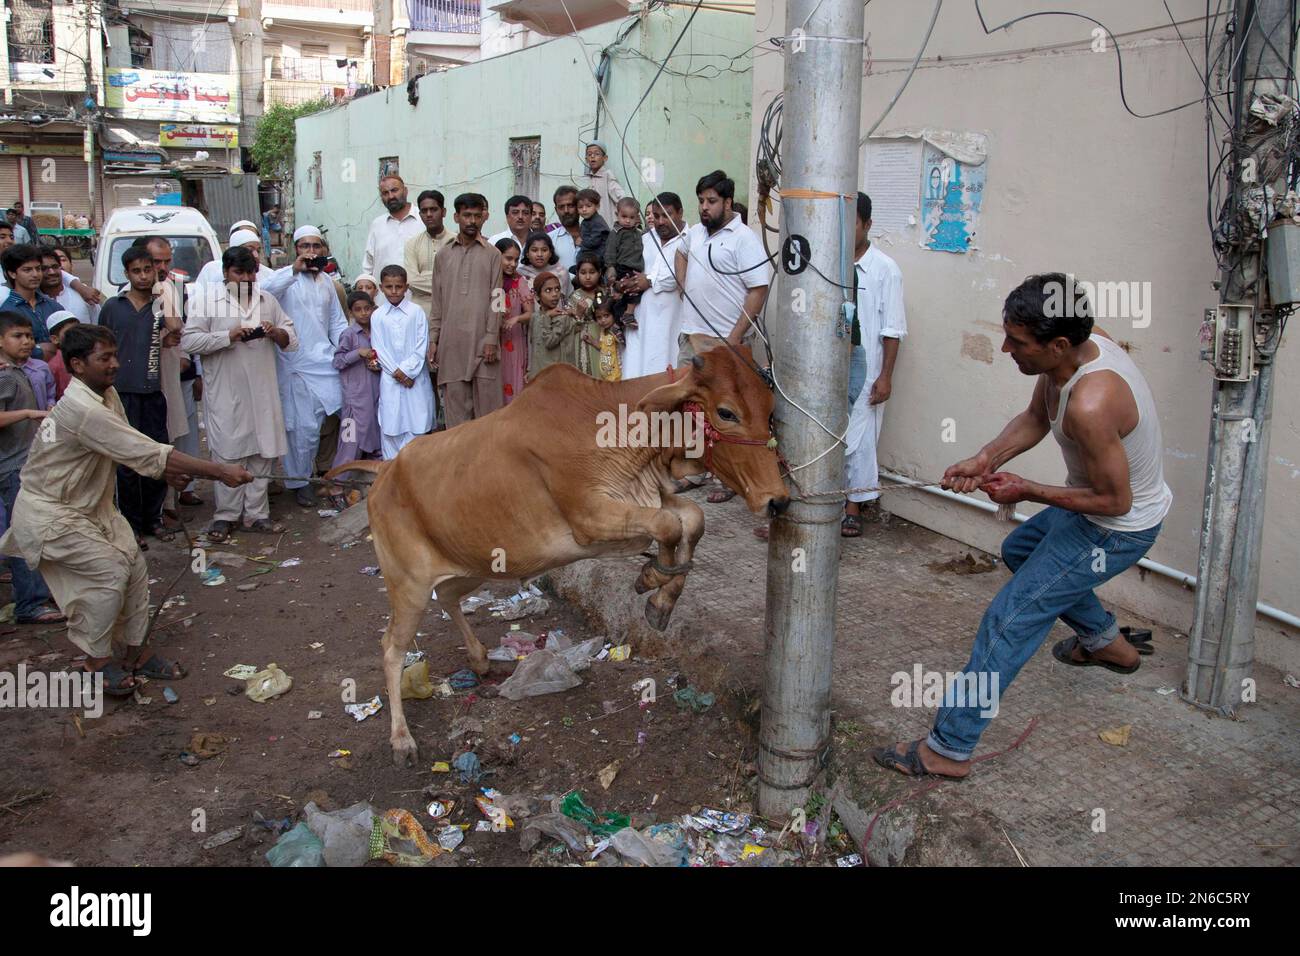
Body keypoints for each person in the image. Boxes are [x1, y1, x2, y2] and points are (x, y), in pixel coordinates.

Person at [872, 273, 1173, 780]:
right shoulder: (1077, 347)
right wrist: (985, 457)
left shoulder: (1092, 404)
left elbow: (1115, 500)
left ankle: (948, 748)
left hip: (1114, 528)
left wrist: (1027, 489)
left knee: (1010, 619)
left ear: (1057, 344)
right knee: (1021, 549)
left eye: (1018, 342)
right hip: (1093, 513)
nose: (1006, 347)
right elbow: (1036, 417)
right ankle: (1106, 644)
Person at [0, 323, 253, 696]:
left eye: (115, 355)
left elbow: (132, 448)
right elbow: (147, 451)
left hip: (91, 506)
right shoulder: (82, 409)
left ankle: (137, 651)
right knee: (108, 573)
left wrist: (171, 472)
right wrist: (219, 471)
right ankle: (95, 663)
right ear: (77, 364)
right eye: (105, 358)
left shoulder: (106, 394)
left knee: (134, 567)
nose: (115, 364)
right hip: (53, 512)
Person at [181, 246, 298, 540]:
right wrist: (227, 337)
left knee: (262, 453)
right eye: (239, 272)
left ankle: (258, 514)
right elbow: (190, 341)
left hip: (263, 390)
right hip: (226, 392)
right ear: (225, 273)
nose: (245, 279)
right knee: (229, 453)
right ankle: (226, 515)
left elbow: (291, 339)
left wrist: (273, 333)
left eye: (250, 273)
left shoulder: (267, 301)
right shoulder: (206, 302)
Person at [96, 245, 184, 542]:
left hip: (152, 390)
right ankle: (130, 525)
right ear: (127, 274)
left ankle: (153, 519)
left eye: (149, 270)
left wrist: (163, 293)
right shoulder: (112, 306)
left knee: (156, 457)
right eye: (137, 271)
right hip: (121, 393)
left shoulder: (161, 304)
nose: (144, 276)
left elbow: (175, 328)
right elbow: (100, 346)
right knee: (126, 463)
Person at [261, 225, 348, 507]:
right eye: (304, 246)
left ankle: (324, 471)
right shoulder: (285, 278)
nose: (311, 252)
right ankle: (300, 482)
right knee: (300, 427)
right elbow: (264, 291)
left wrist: (342, 349)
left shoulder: (326, 283)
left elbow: (336, 321)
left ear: (323, 250)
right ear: (295, 249)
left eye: (316, 246)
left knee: (333, 414)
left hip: (324, 361)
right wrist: (294, 270)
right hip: (294, 364)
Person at [842, 192, 906, 536]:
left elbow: (893, 329)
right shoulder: (831, 263)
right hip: (834, 367)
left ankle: (854, 507)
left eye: (853, 222)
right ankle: (827, 503)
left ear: (867, 224)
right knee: (831, 438)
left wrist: (886, 376)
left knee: (861, 441)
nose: (846, 229)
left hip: (867, 371)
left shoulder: (885, 270)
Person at [0, 310, 64, 624]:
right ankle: (29, 602)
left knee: (40, 530)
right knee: (23, 533)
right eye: (17, 336)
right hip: (12, 465)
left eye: (28, 336)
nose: (26, 342)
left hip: (33, 461)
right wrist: (28, 413)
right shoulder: (3, 376)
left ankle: (43, 591)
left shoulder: (31, 369)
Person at [676, 170, 771, 361]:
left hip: (726, 342)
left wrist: (734, 339)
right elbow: (680, 253)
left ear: (727, 203)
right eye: (701, 200)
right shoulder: (696, 232)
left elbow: (759, 290)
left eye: (711, 201)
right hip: (690, 340)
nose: (704, 207)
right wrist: (682, 286)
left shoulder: (744, 238)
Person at [428, 194, 503, 427]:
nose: (472, 221)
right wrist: (434, 339)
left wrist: (492, 338)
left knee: (488, 416)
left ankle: (487, 464)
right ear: (456, 217)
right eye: (467, 216)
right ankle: (458, 464)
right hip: (452, 345)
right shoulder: (442, 256)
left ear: (484, 217)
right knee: (456, 417)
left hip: (483, 345)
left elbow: (497, 300)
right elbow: (437, 302)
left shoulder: (493, 255)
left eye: (477, 216)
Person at [372, 265, 434, 457]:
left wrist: (408, 371)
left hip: (415, 379)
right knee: (392, 427)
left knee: (417, 424)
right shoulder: (378, 316)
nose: (394, 291)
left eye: (398, 287)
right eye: (389, 287)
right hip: (391, 379)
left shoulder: (416, 312)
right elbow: (379, 348)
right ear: (381, 288)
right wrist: (398, 373)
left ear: (406, 287)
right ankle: (392, 475)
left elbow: (421, 344)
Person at [623, 192, 685, 378]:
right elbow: (633, 265)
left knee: (666, 365)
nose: (660, 221)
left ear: (680, 213)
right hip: (641, 318)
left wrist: (649, 280)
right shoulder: (645, 239)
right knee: (636, 368)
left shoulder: (689, 239)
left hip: (671, 318)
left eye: (667, 215)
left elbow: (678, 276)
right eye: (656, 216)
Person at [332, 291, 383, 466]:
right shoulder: (349, 334)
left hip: (374, 398)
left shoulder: (378, 331)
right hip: (353, 402)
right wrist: (358, 353)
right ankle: (338, 484)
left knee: (376, 439)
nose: (363, 313)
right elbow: (338, 361)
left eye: (367, 308)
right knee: (348, 443)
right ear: (351, 313)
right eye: (358, 309)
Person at [1, 244, 60, 358]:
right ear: (12, 273)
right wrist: (38, 351)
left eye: (38, 269)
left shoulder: (53, 306)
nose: (35, 274)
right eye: (27, 270)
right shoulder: (6, 312)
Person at [404, 189, 455, 318]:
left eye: (433, 209)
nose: (429, 214)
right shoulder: (412, 244)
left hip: (450, 311)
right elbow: (411, 281)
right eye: (424, 211)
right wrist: (445, 281)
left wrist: (424, 276)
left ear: (443, 212)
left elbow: (459, 280)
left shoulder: (456, 241)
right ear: (420, 214)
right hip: (421, 313)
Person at [495, 237, 532, 404]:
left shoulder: (520, 281)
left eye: (516, 260)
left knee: (515, 385)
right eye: (508, 258)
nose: (513, 264)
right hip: (494, 341)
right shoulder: (491, 281)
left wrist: (516, 318)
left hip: (514, 343)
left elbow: (530, 314)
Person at [363, 175, 423, 275]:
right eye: (385, 193)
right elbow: (368, 265)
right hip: (382, 290)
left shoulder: (423, 218)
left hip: (417, 290)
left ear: (405, 191)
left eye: (394, 190)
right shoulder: (377, 225)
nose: (391, 196)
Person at [603, 196, 645, 330]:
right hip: (623, 267)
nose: (627, 220)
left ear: (637, 217)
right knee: (630, 291)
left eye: (631, 217)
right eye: (624, 216)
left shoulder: (638, 233)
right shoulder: (616, 232)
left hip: (635, 268)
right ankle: (628, 314)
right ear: (617, 215)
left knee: (628, 294)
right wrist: (610, 268)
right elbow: (610, 250)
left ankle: (618, 324)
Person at [527, 272, 576, 378]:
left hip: (554, 376)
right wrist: (530, 369)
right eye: (548, 290)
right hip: (537, 373)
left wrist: (547, 318)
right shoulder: (535, 317)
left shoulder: (562, 318)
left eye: (557, 289)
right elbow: (533, 344)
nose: (554, 294)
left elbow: (550, 342)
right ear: (536, 295)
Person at [566, 252, 605, 378]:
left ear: (599, 273)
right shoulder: (574, 296)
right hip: (580, 341)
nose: (588, 277)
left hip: (602, 338)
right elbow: (567, 326)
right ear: (577, 274)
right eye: (583, 273)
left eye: (592, 272)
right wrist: (578, 313)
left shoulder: (606, 294)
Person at [195, 229, 273, 288]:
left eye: (258, 250)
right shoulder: (212, 269)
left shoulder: (269, 275)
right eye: (249, 250)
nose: (256, 255)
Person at [581, 141, 625, 225]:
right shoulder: (587, 178)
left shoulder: (607, 176)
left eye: (597, 154)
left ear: (605, 158)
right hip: (592, 226)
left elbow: (621, 198)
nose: (592, 157)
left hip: (607, 224)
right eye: (589, 154)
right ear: (586, 159)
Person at [580, 293, 621, 382]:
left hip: (617, 376)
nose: (603, 320)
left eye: (606, 316)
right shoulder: (603, 332)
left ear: (614, 314)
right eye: (599, 317)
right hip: (606, 376)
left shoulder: (617, 330)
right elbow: (603, 347)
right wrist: (591, 340)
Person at [519, 230, 571, 297]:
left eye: (544, 250)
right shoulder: (520, 274)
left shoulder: (561, 273)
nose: (539, 254)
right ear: (527, 254)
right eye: (534, 250)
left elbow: (568, 300)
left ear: (550, 253)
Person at [546, 185, 581, 271]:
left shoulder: (595, 235)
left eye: (570, 205)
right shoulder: (549, 240)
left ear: (578, 206)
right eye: (561, 207)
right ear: (556, 210)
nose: (566, 211)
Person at [44, 311, 77, 400]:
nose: (77, 335)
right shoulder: (54, 365)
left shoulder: (85, 355)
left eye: (78, 330)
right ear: (55, 339)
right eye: (69, 333)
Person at [576, 189, 610, 260]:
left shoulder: (597, 222)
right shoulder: (587, 221)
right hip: (591, 253)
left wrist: (581, 242)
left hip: (599, 255)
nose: (584, 209)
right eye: (580, 207)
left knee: (580, 258)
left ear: (597, 206)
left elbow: (594, 242)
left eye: (588, 206)